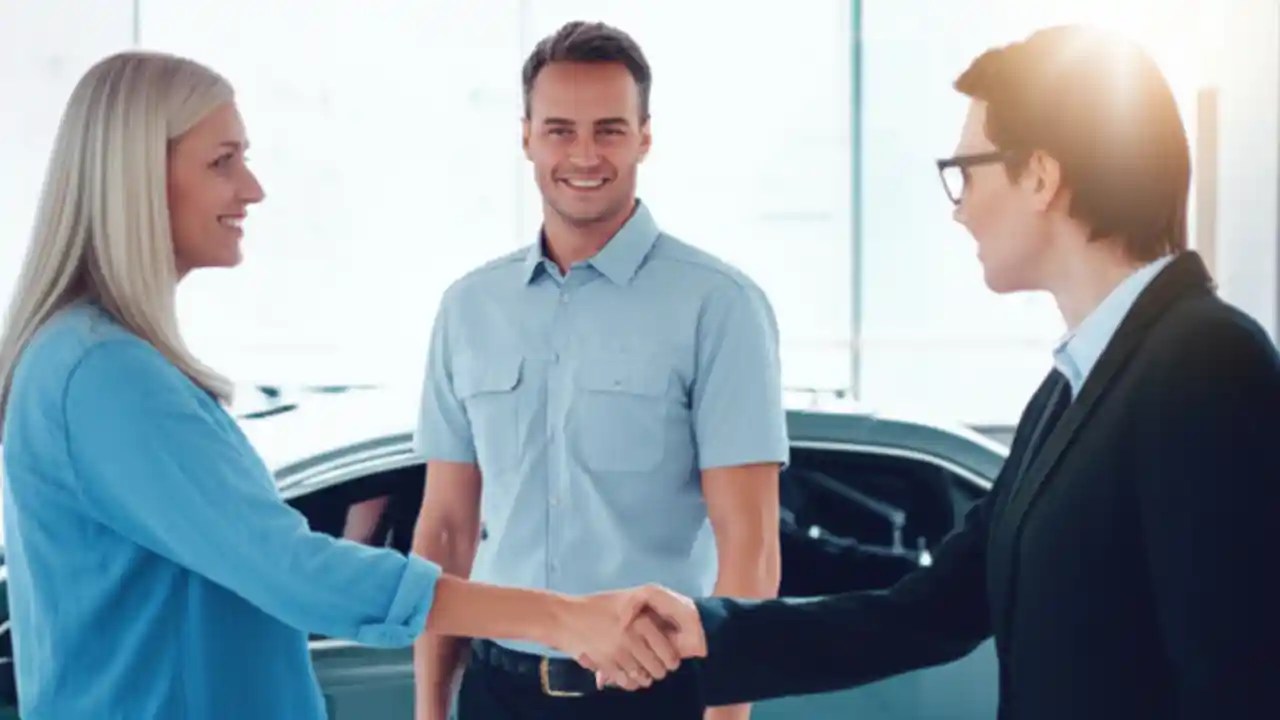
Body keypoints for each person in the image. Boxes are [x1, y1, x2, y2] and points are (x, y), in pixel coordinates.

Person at [0, 50, 702, 720]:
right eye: (223, 161)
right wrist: (564, 616)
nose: (253, 188)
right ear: (136, 179)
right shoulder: (103, 377)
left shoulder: (90, 361)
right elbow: (294, 570)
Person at [607, 24, 1280, 719]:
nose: (958, 210)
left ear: (1041, 176)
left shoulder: (1205, 365)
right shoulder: (1069, 390)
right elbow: (932, 610)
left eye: (966, 171)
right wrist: (710, 631)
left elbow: (1240, 679)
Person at [410, 20, 788, 720]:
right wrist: (431, 708)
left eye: (609, 129)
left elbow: (751, 547)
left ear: (646, 135)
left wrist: (726, 716)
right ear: (525, 136)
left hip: (655, 695)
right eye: (559, 130)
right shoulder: (468, 308)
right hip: (497, 692)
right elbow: (445, 533)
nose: (584, 154)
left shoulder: (719, 305)